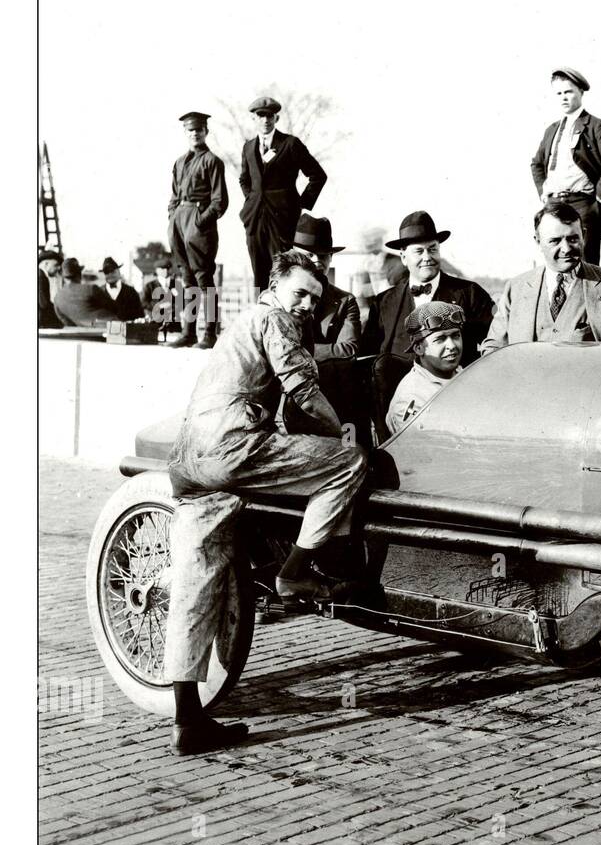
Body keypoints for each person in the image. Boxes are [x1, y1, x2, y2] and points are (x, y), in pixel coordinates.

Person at [163, 250, 367, 755]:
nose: (307, 305)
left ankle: (188, 719)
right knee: (349, 463)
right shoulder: (274, 318)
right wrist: (337, 433)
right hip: (234, 448)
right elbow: (302, 389)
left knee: (194, 584)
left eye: (315, 299)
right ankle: (295, 571)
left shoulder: (239, 326)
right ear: (274, 288)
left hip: (189, 460)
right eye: (300, 293)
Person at [373, 210, 494, 437]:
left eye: (433, 249)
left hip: (459, 406)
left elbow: (492, 348)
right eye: (419, 251)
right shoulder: (383, 303)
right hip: (400, 416)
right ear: (403, 257)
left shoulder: (470, 294)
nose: (427, 257)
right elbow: (373, 359)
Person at [482, 201, 601, 353]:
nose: (566, 249)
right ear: (538, 241)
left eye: (573, 239)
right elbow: (493, 347)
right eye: (555, 241)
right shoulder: (515, 289)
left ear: (584, 236)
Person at [529, 68, 601, 264]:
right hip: (553, 204)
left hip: (582, 205)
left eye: (568, 92)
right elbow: (536, 164)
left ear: (581, 92)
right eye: (559, 93)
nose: (563, 98)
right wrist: (543, 192)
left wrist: (600, 194)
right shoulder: (552, 130)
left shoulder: (595, 125)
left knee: (585, 261)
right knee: (555, 259)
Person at [290, 213, 368, 447]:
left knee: (350, 446)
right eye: (308, 254)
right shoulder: (280, 297)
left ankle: (354, 453)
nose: (316, 260)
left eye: (323, 255)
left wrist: (298, 351)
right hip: (291, 396)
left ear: (331, 258)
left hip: (335, 396)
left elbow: (349, 348)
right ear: (293, 255)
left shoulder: (344, 301)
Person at [239, 95, 328, 292]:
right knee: (258, 271)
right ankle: (262, 308)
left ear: (276, 118)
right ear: (253, 118)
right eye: (261, 115)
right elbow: (244, 179)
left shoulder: (290, 144)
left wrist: (300, 204)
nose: (265, 120)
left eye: (270, 115)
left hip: (282, 220)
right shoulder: (248, 147)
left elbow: (318, 175)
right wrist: (252, 200)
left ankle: (282, 308)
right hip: (254, 220)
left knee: (283, 269)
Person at [166, 111, 229, 348]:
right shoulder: (179, 162)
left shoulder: (212, 161)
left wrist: (200, 222)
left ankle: (210, 334)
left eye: (199, 130)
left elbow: (219, 201)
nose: (195, 134)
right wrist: (173, 217)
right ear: (185, 132)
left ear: (206, 132)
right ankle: (188, 333)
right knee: (187, 279)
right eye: (191, 130)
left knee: (204, 278)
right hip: (179, 221)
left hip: (198, 222)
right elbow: (174, 195)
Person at [386, 301, 466, 435]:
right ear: (419, 348)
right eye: (440, 339)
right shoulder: (410, 398)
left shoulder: (466, 374)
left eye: (455, 336)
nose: (452, 346)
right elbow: (424, 446)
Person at [53, 258, 118, 326]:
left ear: (63, 277)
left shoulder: (57, 298)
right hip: (108, 328)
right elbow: (114, 308)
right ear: (79, 274)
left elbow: (65, 321)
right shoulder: (91, 289)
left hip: (80, 331)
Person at [101, 257, 145, 322]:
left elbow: (140, 317)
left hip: (127, 328)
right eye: (106, 272)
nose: (110, 274)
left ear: (119, 272)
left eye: (112, 271)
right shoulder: (99, 292)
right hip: (103, 328)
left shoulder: (131, 292)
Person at [38, 248, 62, 329]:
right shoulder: (40, 276)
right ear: (46, 264)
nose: (59, 268)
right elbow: (44, 304)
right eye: (56, 265)